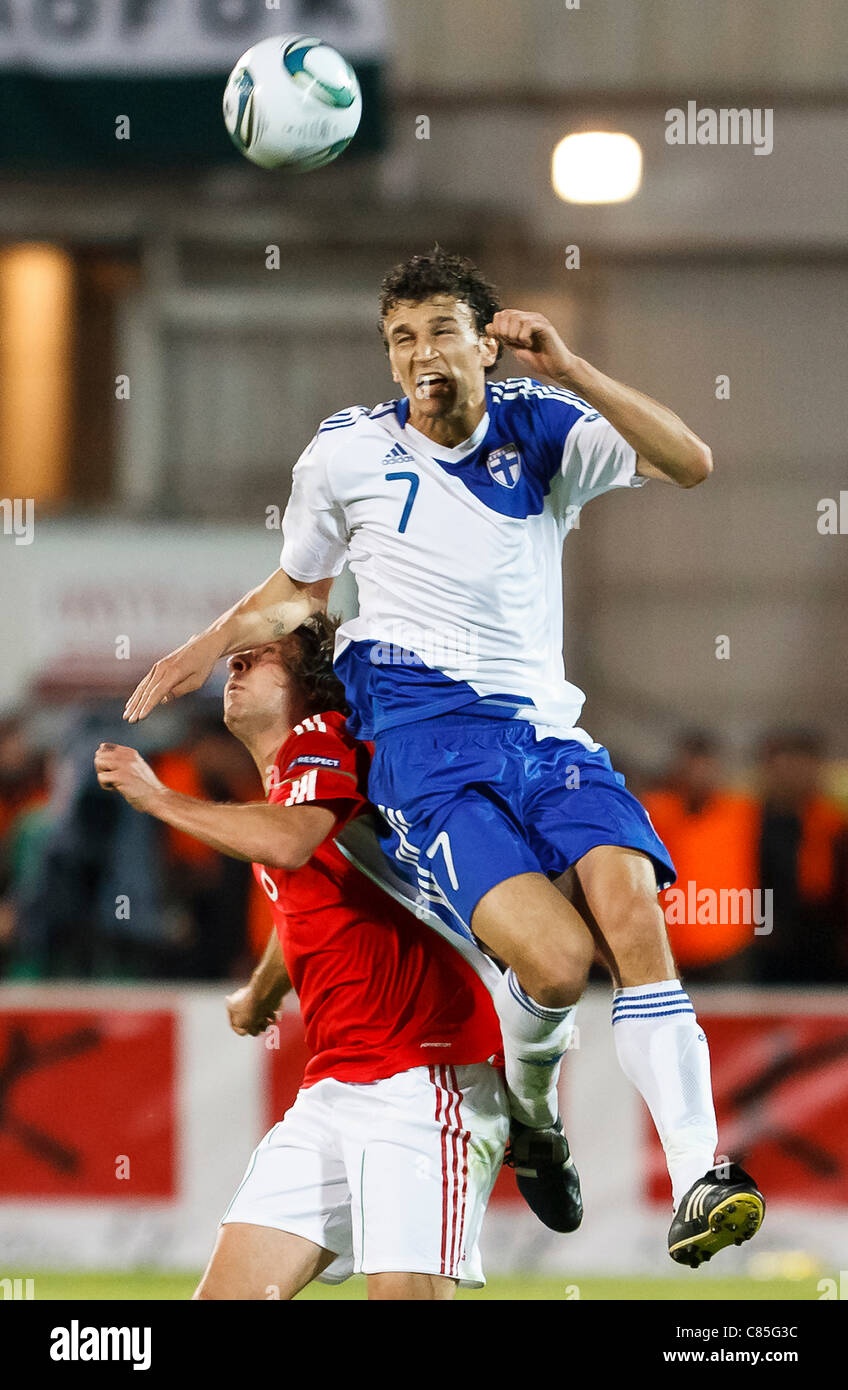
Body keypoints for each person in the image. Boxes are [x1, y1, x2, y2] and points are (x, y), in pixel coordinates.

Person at [123, 248, 763, 1266]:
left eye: (437, 331)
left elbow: (689, 462)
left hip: (547, 731)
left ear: (483, 341)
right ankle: (538, 1121)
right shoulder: (343, 452)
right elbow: (301, 588)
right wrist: (209, 641)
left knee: (632, 910)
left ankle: (701, 1173)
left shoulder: (539, 425)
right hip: (424, 744)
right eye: (400, 338)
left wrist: (572, 371)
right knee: (553, 965)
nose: (418, 353)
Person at [96, 616, 509, 1301]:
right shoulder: (287, 792)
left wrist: (158, 797)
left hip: (425, 1077)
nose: (235, 666)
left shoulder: (332, 741)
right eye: (235, 660)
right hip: (337, 1087)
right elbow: (305, 904)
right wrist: (262, 992)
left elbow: (290, 843)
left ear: (309, 687)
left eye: (257, 660)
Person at [641, 732, 760, 982]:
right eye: (691, 769)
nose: (699, 777)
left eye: (706, 769)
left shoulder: (742, 812)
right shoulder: (655, 812)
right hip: (667, 945)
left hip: (728, 946)